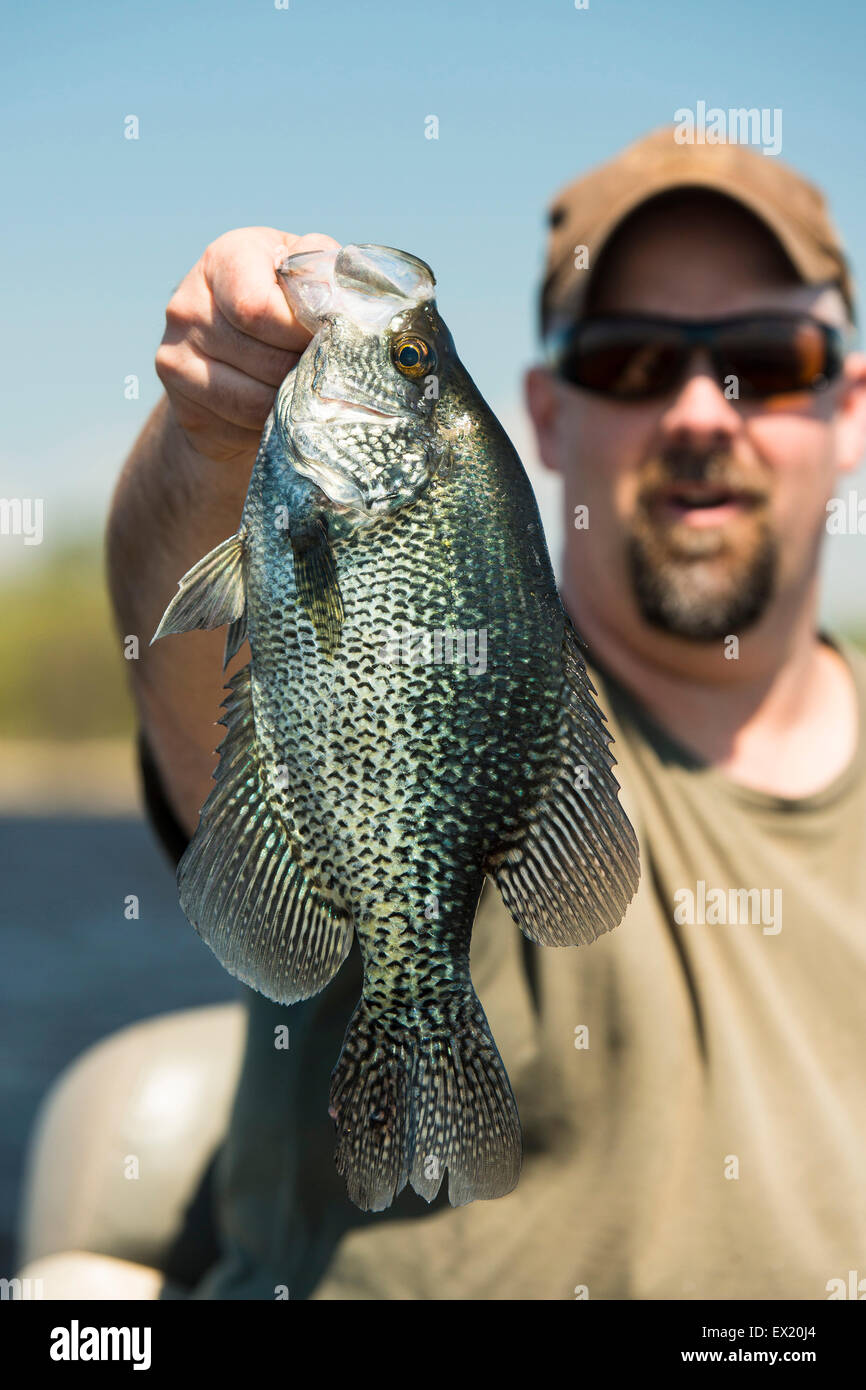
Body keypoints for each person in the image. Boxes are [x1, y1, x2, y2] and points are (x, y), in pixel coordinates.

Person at [106, 126, 866, 1299]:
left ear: (850, 407)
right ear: (545, 415)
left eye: (764, 359)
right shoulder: (485, 663)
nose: (700, 412)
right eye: (627, 360)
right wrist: (202, 446)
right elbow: (184, 686)